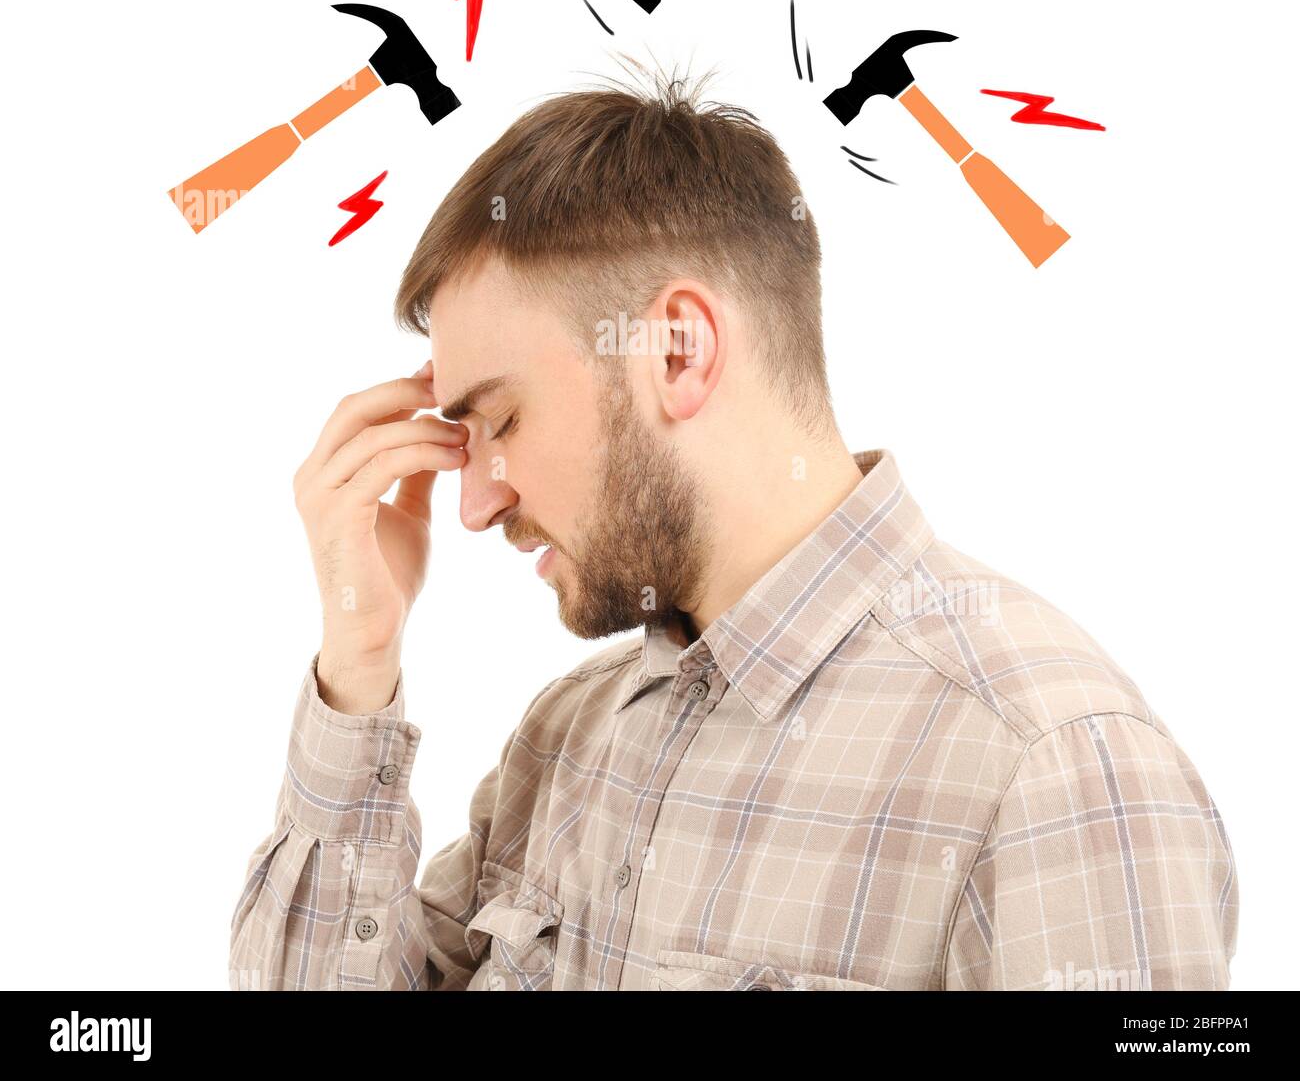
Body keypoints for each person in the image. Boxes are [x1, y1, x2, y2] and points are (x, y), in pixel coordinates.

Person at [230, 66, 1238, 991]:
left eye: (501, 418)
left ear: (676, 351)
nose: (474, 500)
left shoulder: (1056, 765)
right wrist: (358, 665)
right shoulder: (566, 740)